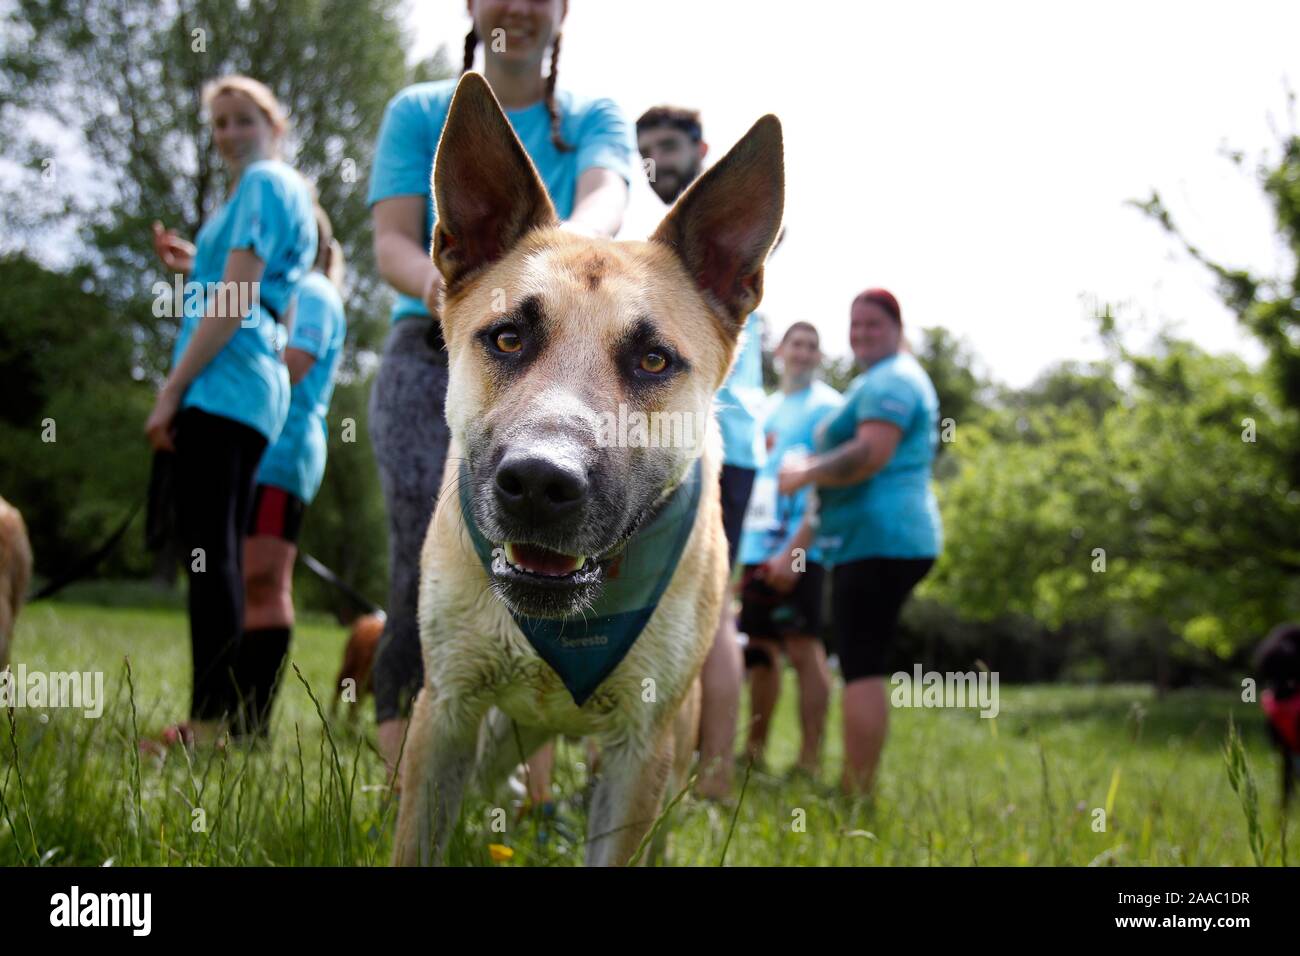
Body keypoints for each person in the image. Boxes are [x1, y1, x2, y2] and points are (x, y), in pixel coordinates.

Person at [367, 0, 635, 786]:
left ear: (563, 11)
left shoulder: (593, 116)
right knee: (426, 561)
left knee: (550, 546)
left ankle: (526, 790)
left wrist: (536, 270)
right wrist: (461, 292)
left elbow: (606, 203)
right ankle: (402, 785)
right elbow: (393, 239)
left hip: (568, 343)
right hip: (436, 350)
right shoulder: (420, 110)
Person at [145, 75, 318, 746]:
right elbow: (268, 292)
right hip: (251, 387)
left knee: (208, 553)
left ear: (275, 125)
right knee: (216, 550)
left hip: (221, 387)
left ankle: (209, 723)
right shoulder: (284, 194)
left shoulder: (263, 185)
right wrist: (196, 264)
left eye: (243, 119)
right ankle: (219, 719)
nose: (229, 134)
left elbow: (238, 298)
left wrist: (172, 390)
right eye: (219, 123)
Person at [637, 105, 768, 798]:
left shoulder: (717, 237)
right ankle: (643, 765)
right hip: (667, 446)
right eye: (645, 151)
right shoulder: (662, 247)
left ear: (702, 150)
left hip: (718, 449)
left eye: (669, 146)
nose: (656, 160)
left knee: (708, 611)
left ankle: (711, 780)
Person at [778, 289, 942, 794]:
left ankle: (855, 791)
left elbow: (869, 455)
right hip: (873, 540)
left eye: (873, 324)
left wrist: (805, 471)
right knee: (859, 658)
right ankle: (855, 783)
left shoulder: (894, 379)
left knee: (861, 662)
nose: (862, 334)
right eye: (855, 325)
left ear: (897, 327)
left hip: (881, 540)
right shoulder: (882, 379)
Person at [238, 203, 348, 737]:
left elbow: (295, 364)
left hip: (283, 454)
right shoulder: (288, 294)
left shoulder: (316, 292)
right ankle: (230, 713)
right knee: (246, 577)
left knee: (264, 579)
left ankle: (249, 726)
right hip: (261, 451)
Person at [736, 321, 840, 774]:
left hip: (803, 549)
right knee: (759, 650)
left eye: (811, 346)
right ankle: (754, 754)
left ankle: (809, 761)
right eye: (796, 343)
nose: (802, 352)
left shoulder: (829, 408)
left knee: (803, 646)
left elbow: (829, 486)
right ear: (779, 351)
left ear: (819, 357)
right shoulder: (762, 408)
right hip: (756, 547)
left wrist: (796, 550)